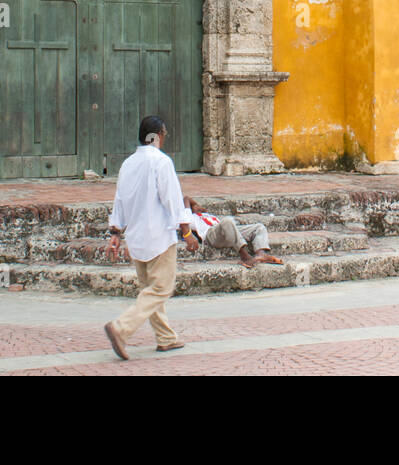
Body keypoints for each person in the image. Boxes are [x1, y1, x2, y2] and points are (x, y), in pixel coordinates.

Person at [103, 115, 195, 360]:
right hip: (159, 237)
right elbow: (173, 201)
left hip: (136, 238)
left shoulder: (128, 164)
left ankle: (166, 338)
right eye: (164, 134)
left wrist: (115, 232)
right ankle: (121, 328)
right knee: (161, 289)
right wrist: (186, 232)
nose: (164, 138)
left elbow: (119, 201)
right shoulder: (161, 163)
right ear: (156, 136)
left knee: (149, 290)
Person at [182, 195, 284, 268]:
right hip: (211, 236)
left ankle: (261, 254)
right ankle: (245, 255)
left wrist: (198, 207)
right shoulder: (189, 218)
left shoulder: (207, 215)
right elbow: (186, 198)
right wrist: (193, 206)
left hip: (226, 230)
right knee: (227, 221)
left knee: (259, 227)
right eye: (193, 207)